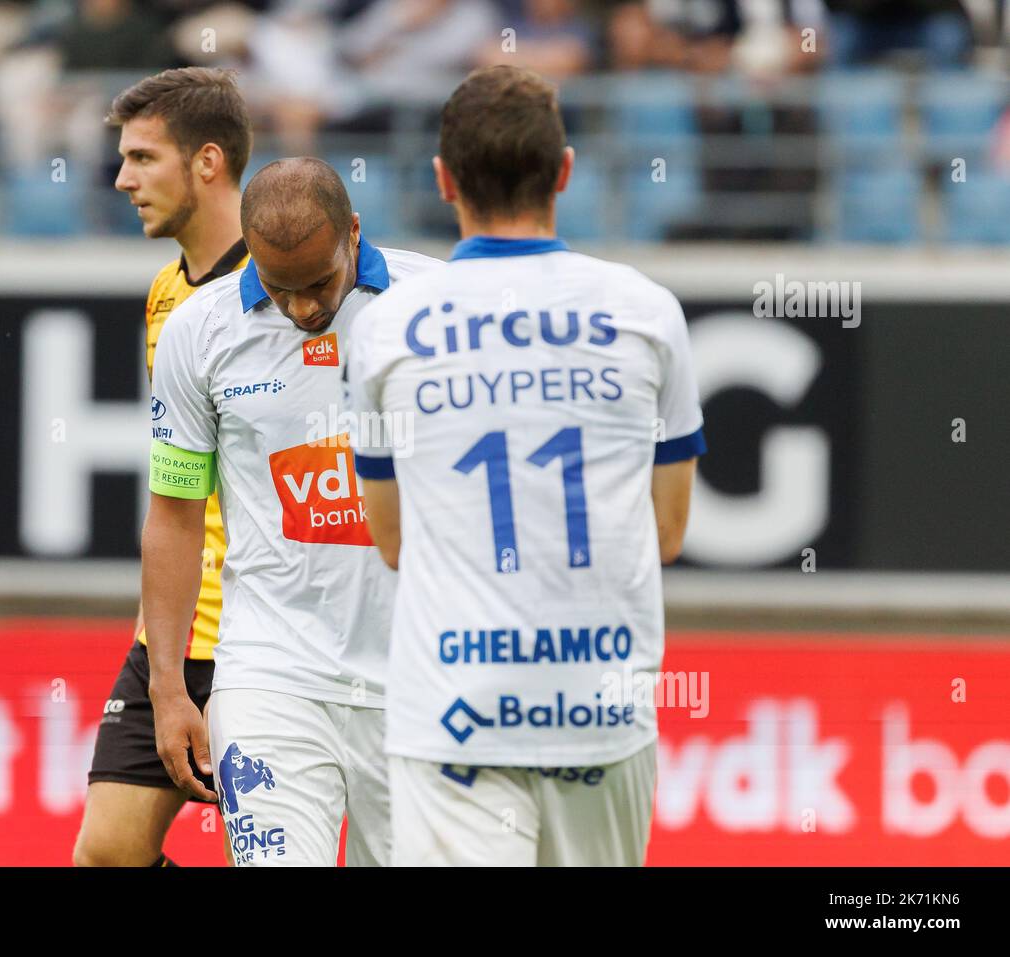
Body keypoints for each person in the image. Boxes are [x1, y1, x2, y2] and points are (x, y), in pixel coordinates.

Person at [346, 65, 706, 866]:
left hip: (453, 709)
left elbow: (392, 542)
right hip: (600, 708)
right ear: (565, 171)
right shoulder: (647, 311)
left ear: (443, 180)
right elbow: (668, 531)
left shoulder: (388, 326)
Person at [144, 158, 439, 866]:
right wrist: (167, 687)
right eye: (281, 289)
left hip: (422, 684)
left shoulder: (439, 308)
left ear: (354, 233)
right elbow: (175, 517)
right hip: (270, 676)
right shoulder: (197, 331)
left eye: (319, 284)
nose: (304, 308)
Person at [72, 67, 251, 868]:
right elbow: (177, 489)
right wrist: (165, 660)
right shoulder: (164, 294)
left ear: (207, 162)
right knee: (108, 852)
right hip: (177, 634)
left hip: (269, 629)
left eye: (143, 157)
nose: (123, 179)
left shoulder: (287, 286)